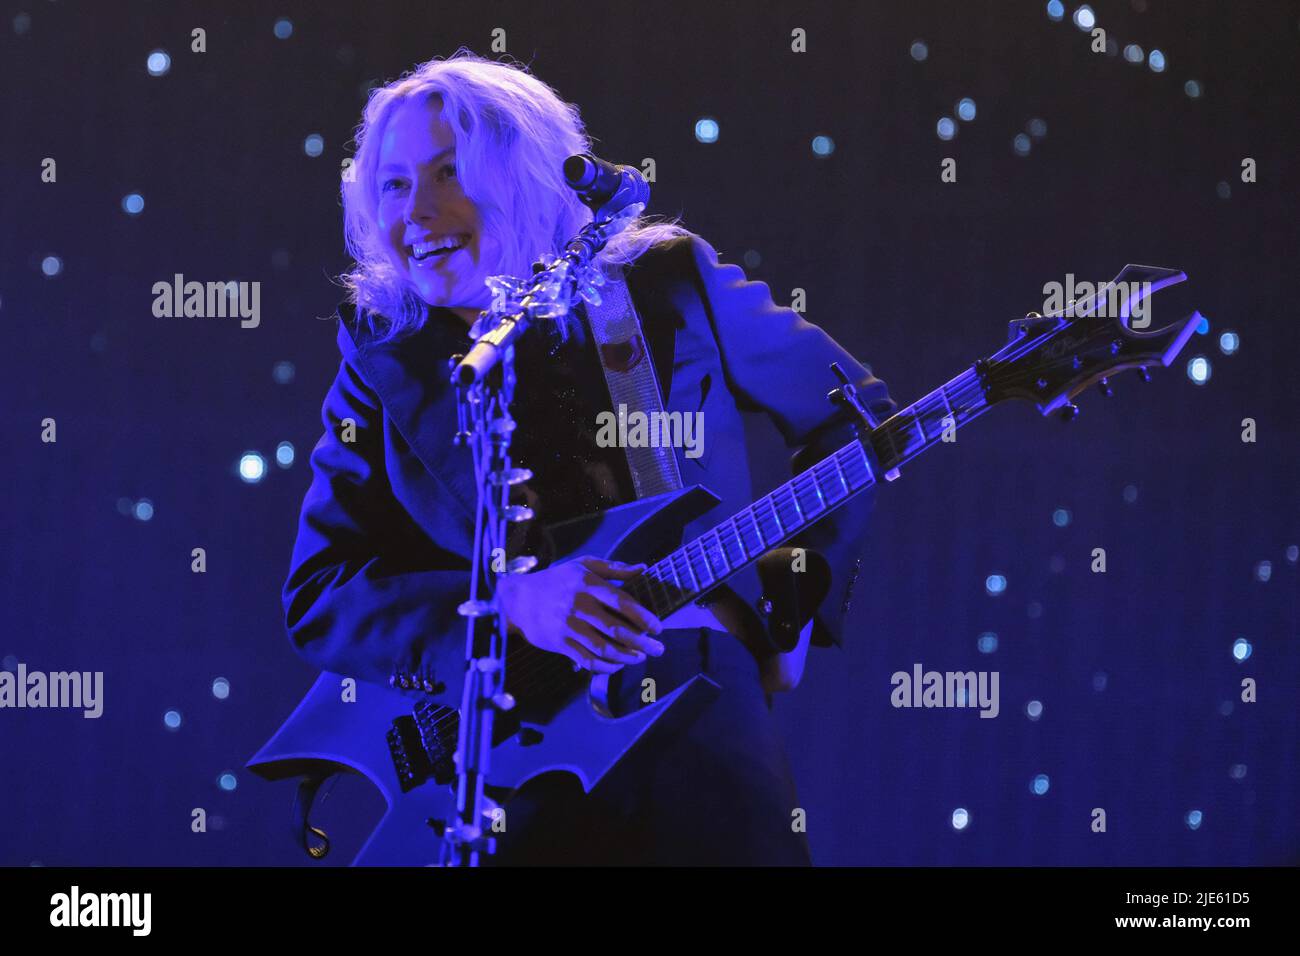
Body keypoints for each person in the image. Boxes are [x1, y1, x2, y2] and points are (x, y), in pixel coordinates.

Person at [282, 49, 894, 865]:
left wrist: (792, 592)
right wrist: (506, 607)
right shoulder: (381, 360)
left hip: (691, 687)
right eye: (394, 185)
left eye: (448, 173)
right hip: (503, 744)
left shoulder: (663, 281)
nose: (418, 213)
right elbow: (322, 594)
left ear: (525, 173)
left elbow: (852, 416)